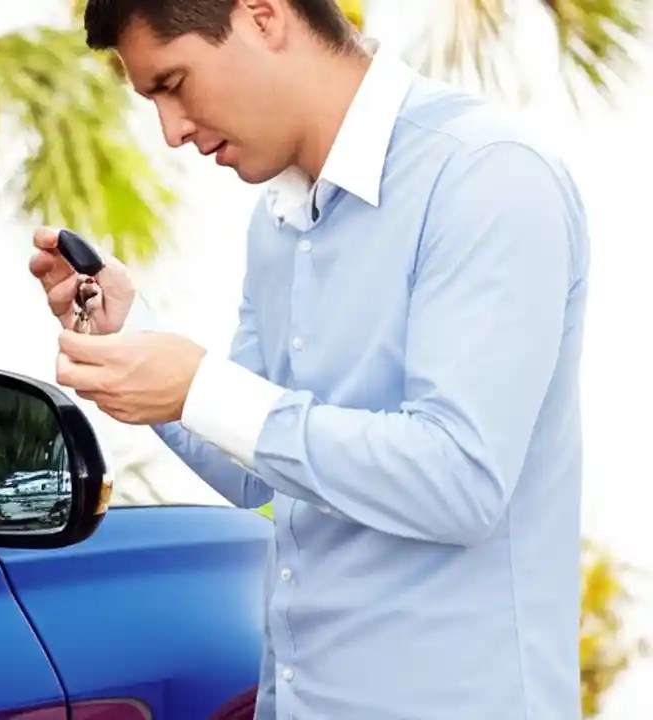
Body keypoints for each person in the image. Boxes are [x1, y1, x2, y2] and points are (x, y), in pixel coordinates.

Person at [29, 1, 589, 718]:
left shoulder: (486, 178)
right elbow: (252, 467)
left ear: (262, 15)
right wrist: (131, 333)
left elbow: (461, 477)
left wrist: (198, 385)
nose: (171, 132)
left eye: (173, 84)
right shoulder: (278, 222)